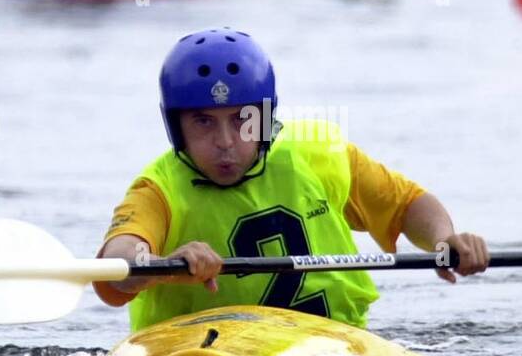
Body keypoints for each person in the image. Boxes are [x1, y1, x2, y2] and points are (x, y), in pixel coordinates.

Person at [95, 28, 490, 330]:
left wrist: (443, 238)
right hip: (198, 352)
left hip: (328, 346)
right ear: (176, 127)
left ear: (266, 118)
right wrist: (166, 262)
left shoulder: (319, 154)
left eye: (242, 120)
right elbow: (119, 259)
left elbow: (407, 205)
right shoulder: (157, 188)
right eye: (203, 122)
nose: (226, 143)